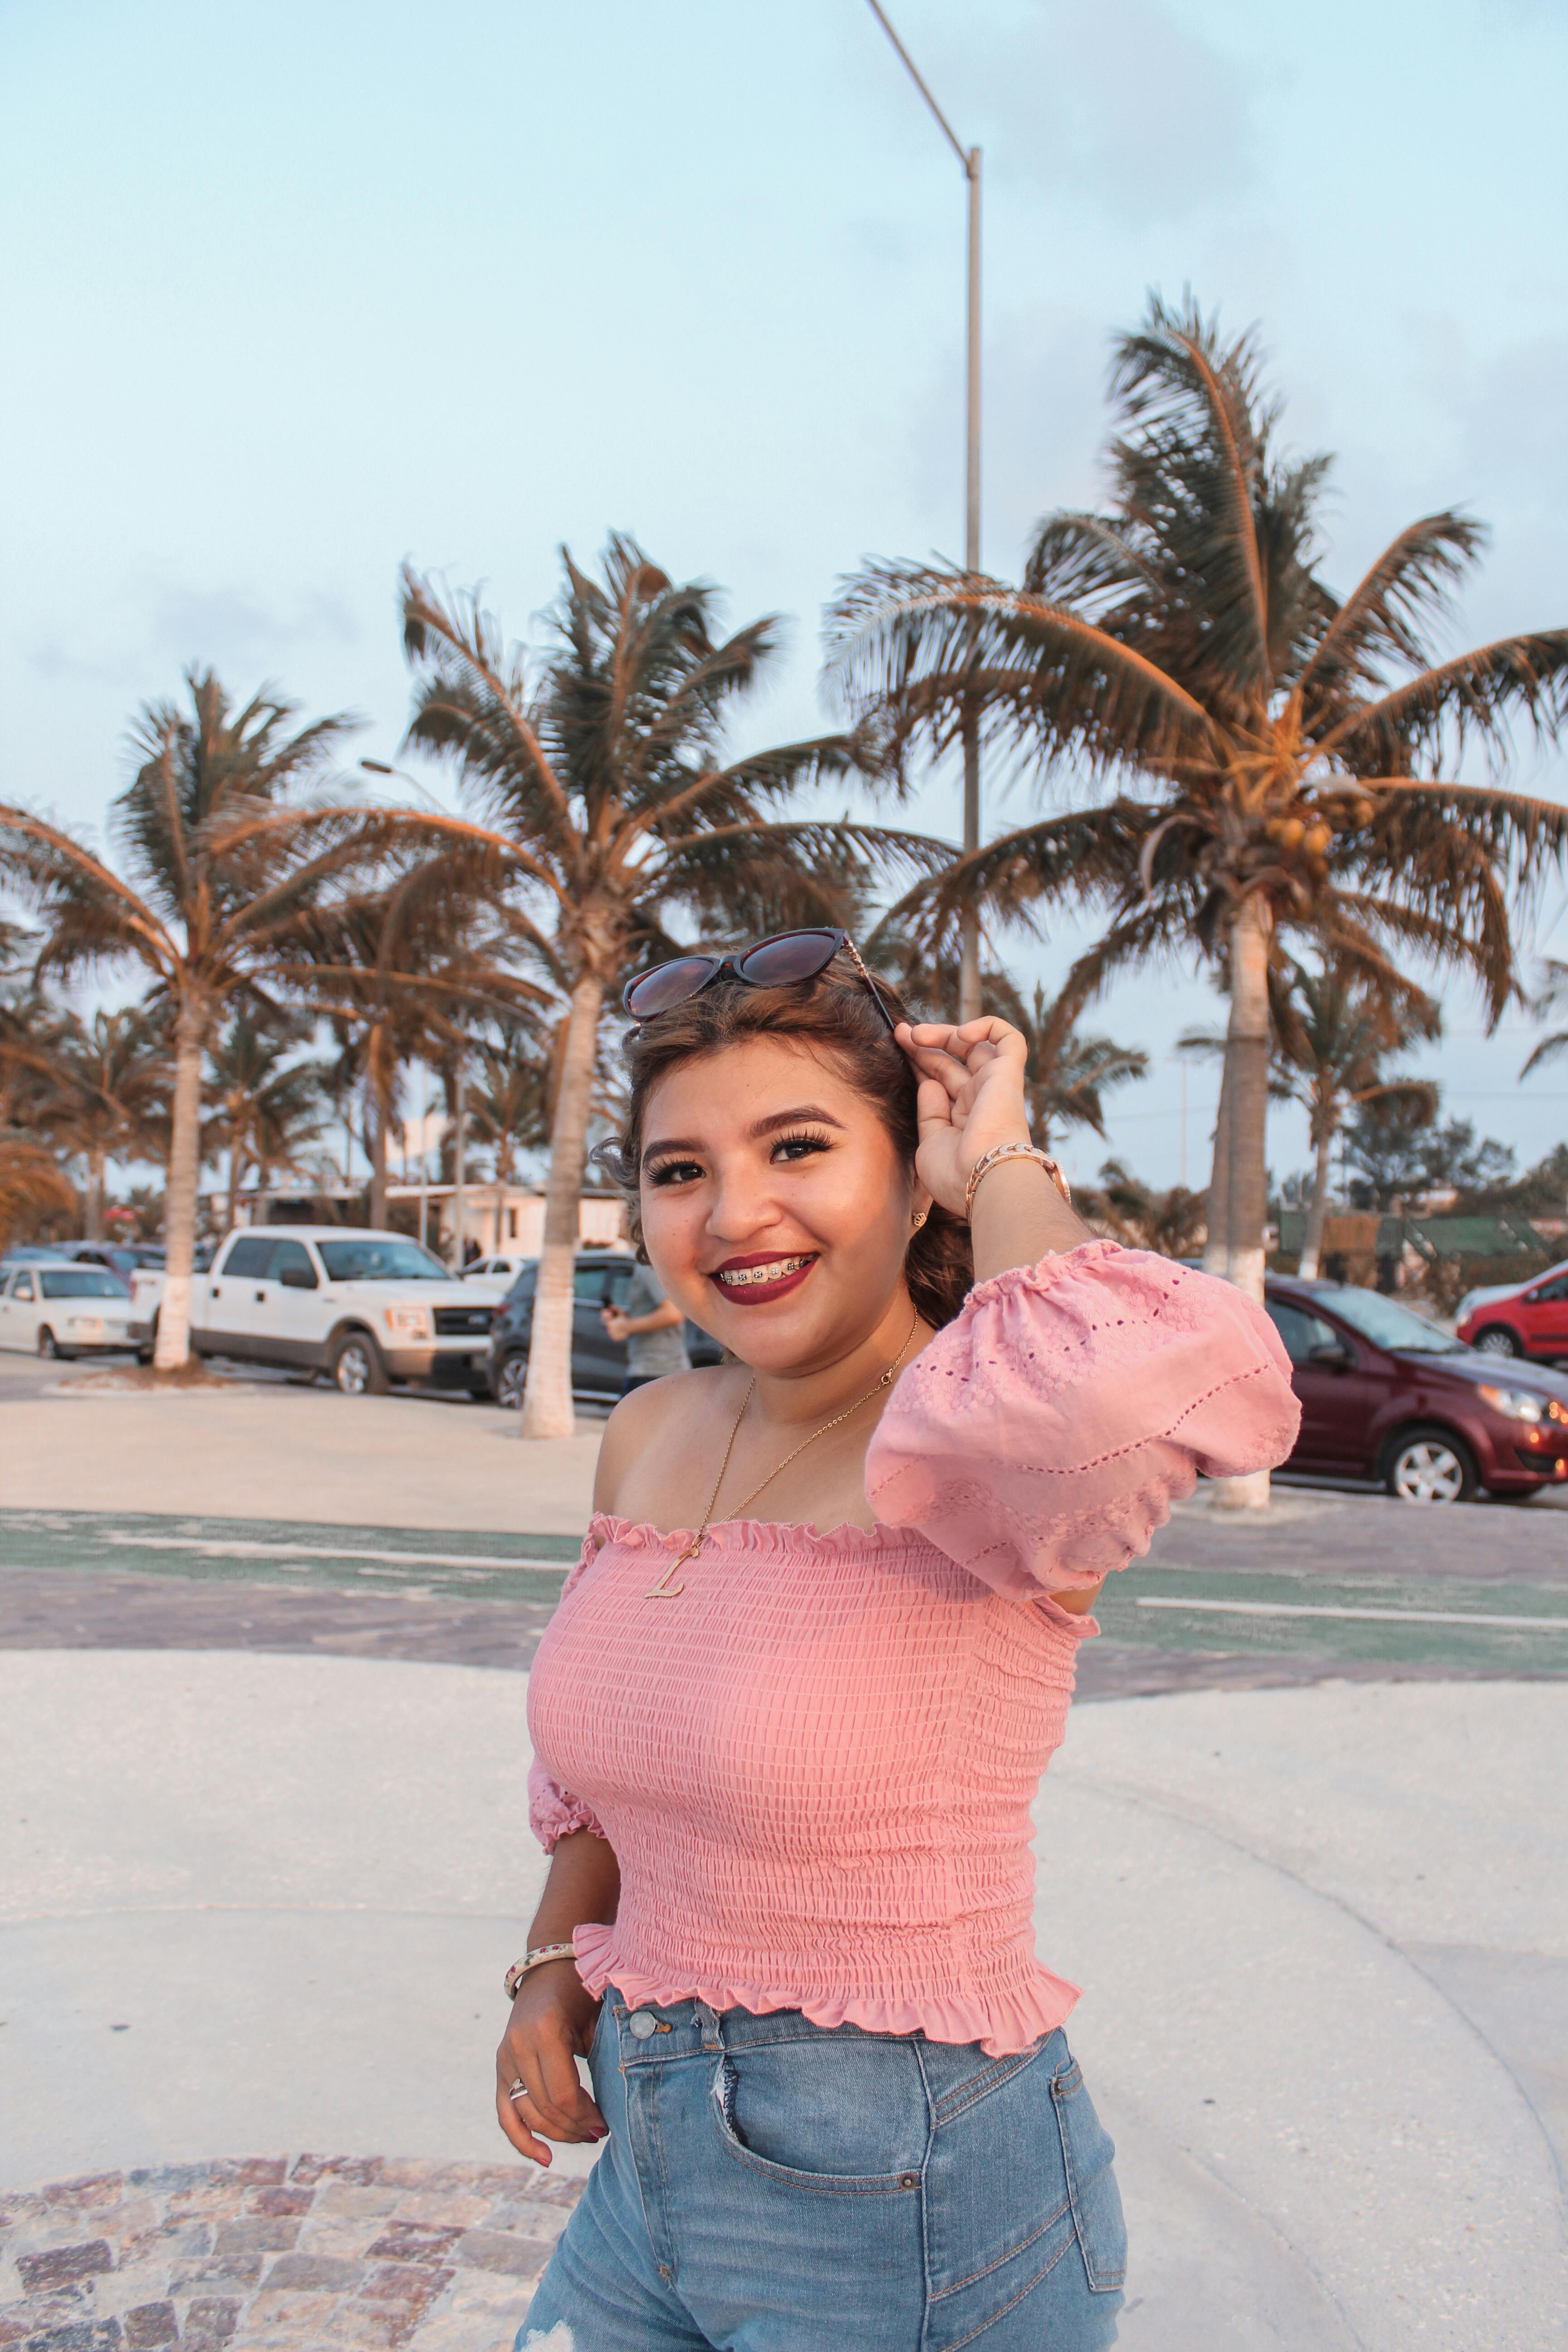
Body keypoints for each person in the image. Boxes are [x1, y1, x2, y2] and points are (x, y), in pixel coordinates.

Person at [497, 933, 1300, 2352]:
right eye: (680, 1169)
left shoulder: (986, 1438)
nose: (734, 1213)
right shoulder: (651, 1430)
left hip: (917, 2199)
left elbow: (1113, 1381)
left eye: (797, 1147)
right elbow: (612, 1779)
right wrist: (554, 1962)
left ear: (909, 1173)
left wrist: (999, 1160)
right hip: (647, 2168)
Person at [601, 1258, 690, 1392]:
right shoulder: (645, 1264)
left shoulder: (648, 1265)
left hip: (656, 1371)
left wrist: (625, 1327)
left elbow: (674, 1313)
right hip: (653, 1371)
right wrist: (624, 1316)